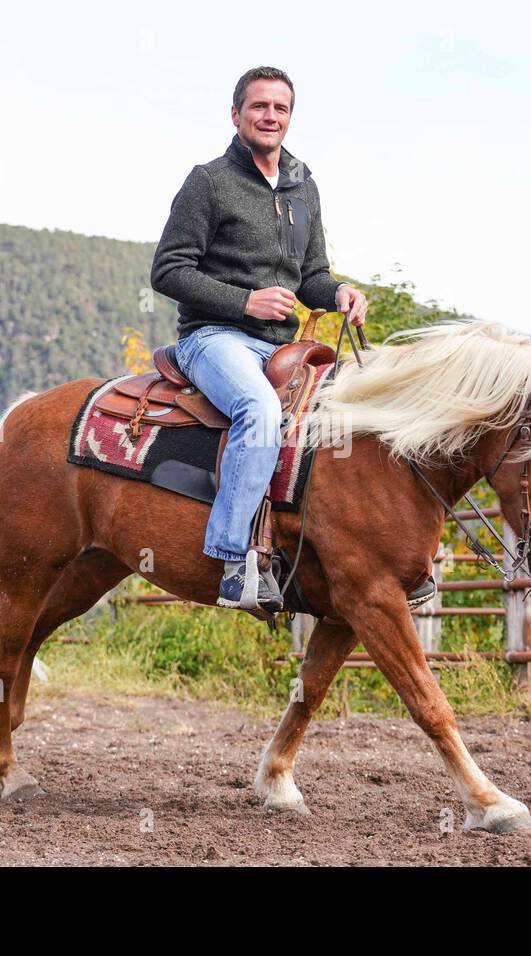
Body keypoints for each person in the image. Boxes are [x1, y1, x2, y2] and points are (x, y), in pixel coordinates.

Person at [151, 65, 368, 612]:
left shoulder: (303, 186)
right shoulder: (208, 181)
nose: (270, 116)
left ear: (290, 118)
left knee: (356, 417)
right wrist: (243, 301)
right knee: (260, 411)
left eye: (281, 108)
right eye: (259, 107)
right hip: (213, 337)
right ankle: (234, 563)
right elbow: (168, 270)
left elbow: (312, 274)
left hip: (282, 347)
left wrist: (338, 291)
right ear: (236, 115)